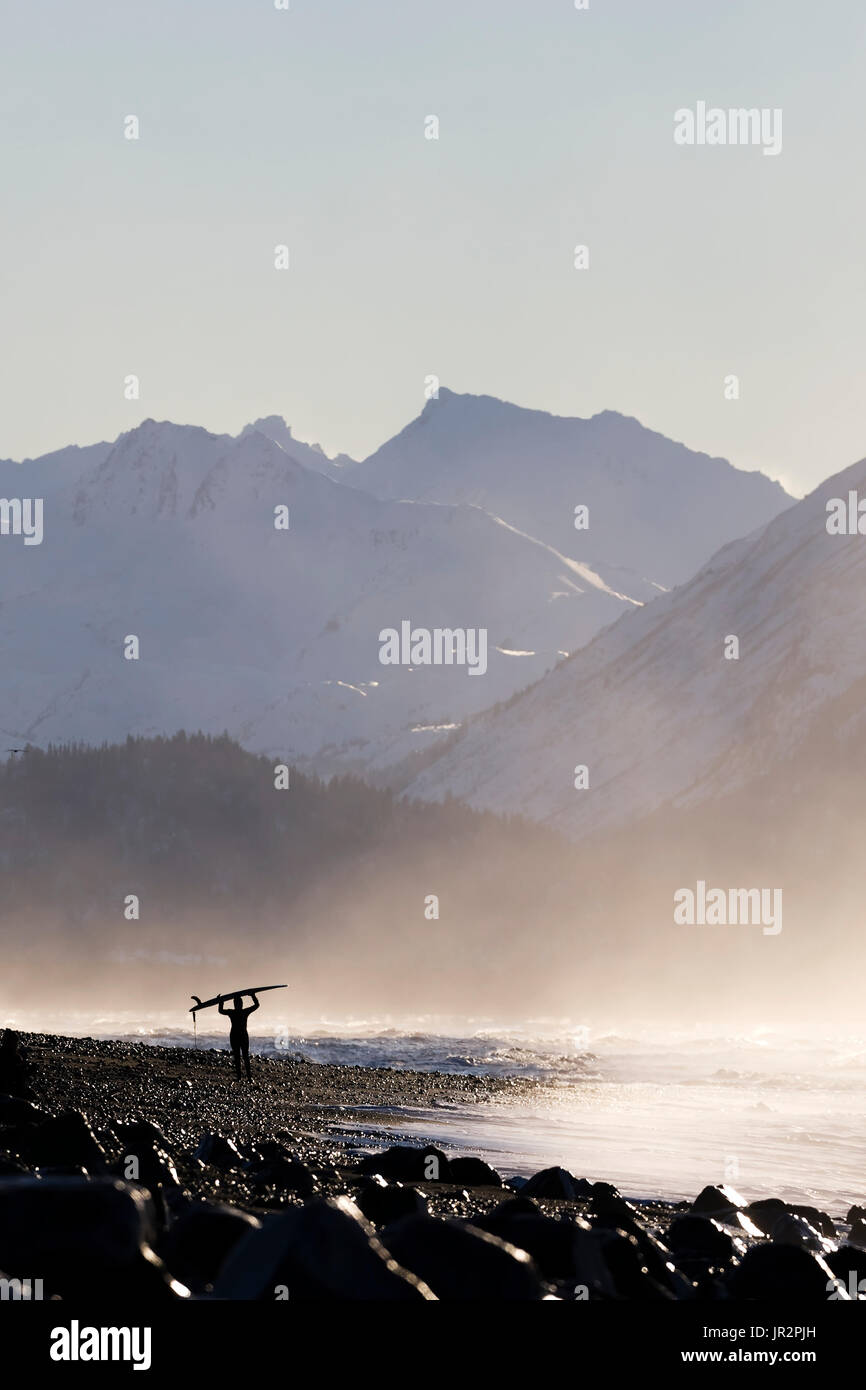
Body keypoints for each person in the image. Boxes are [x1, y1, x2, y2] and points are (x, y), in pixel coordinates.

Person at [218, 993, 259, 1082]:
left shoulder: (232, 1012)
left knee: (240, 1057)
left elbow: (220, 1010)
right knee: (243, 1057)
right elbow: (256, 1005)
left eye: (238, 1003)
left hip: (235, 1036)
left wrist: (221, 1001)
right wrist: (253, 996)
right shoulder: (244, 1011)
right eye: (238, 1003)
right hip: (242, 1036)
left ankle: (242, 1078)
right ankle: (247, 1078)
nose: (239, 1004)